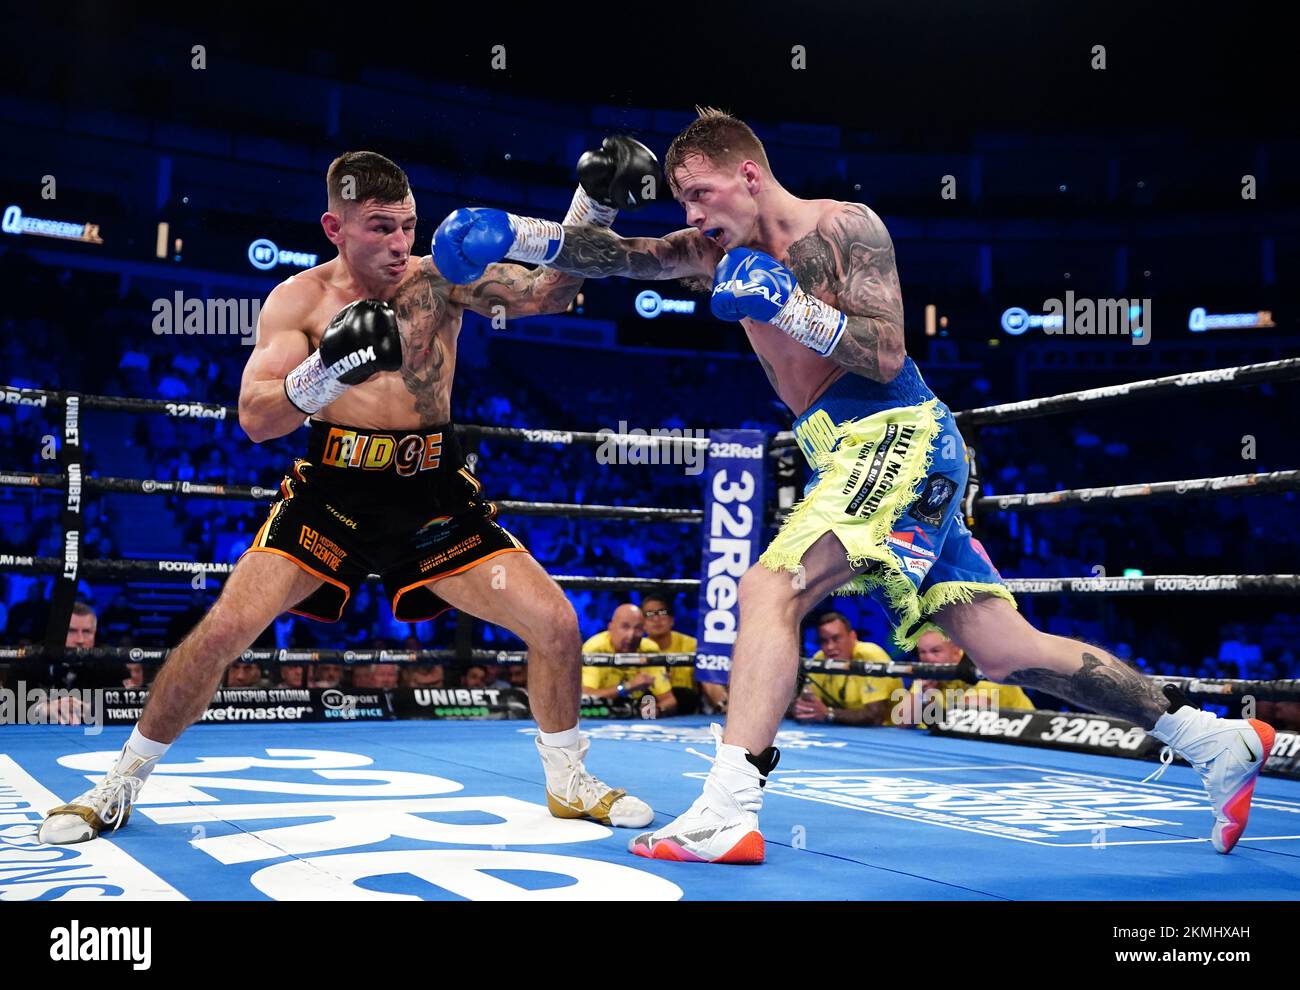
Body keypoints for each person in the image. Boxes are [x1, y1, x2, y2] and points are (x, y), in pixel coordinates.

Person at [435, 108, 1275, 862]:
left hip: (894, 433)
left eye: (698, 194)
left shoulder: (844, 228)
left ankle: (729, 810)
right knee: (1005, 649)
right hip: (855, 452)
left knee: (770, 585)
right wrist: (513, 230)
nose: (690, 215)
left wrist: (792, 305)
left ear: (749, 174)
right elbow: (616, 257)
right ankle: (1210, 739)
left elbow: (881, 352)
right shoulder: (714, 250)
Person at [40, 140, 662, 844]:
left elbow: (554, 292)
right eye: (381, 228)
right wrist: (329, 369)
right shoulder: (298, 301)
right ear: (335, 228)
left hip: (434, 495)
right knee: (221, 632)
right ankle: (120, 782)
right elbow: (255, 418)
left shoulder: (440, 280)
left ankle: (567, 781)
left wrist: (595, 205)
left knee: (554, 624)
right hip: (331, 496)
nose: (402, 244)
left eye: (408, 226)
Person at [899, 628, 1033, 727]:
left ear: (956, 650)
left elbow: (966, 720)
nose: (928, 658)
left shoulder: (982, 665)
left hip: (1024, 739)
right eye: (922, 652)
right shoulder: (928, 674)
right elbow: (902, 722)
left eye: (936, 651)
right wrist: (922, 695)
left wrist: (928, 705)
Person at [791, 612, 901, 726]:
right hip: (844, 730)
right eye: (824, 641)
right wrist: (803, 708)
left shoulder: (870, 656)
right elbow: (809, 702)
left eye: (836, 638)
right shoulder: (821, 657)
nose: (830, 647)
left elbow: (876, 716)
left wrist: (828, 713)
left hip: (889, 732)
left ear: (853, 636)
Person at [581, 603, 677, 716]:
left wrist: (656, 710)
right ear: (611, 627)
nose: (631, 635)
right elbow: (586, 696)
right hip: (599, 713)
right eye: (625, 627)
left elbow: (669, 700)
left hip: (634, 714)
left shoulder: (649, 650)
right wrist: (628, 687)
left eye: (637, 628)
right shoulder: (595, 649)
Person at [640, 591, 714, 713]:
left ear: (672, 620)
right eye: (649, 614)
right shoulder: (638, 648)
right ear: (643, 624)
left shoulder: (692, 645)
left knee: (707, 674)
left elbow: (710, 681)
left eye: (662, 612)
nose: (656, 619)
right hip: (650, 707)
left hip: (688, 707)